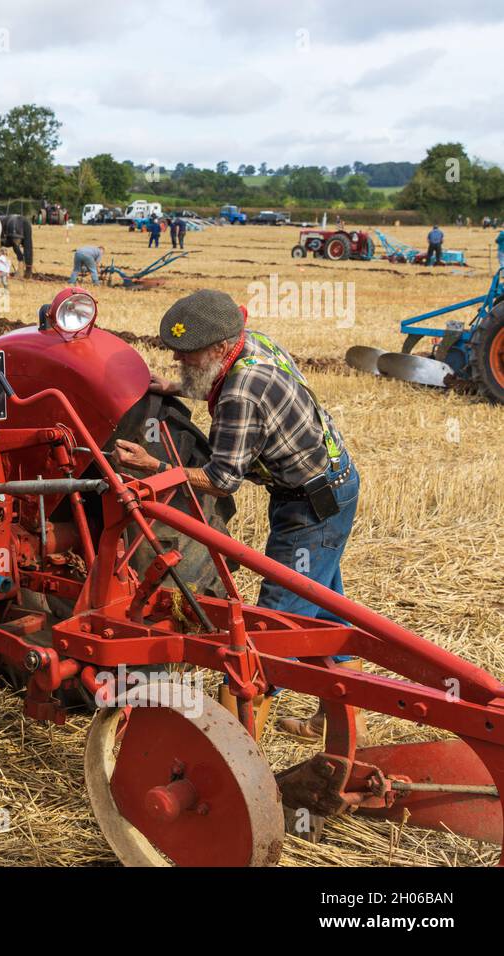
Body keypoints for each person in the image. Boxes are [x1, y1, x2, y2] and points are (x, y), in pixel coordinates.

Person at [111, 289, 362, 741]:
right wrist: (175, 387)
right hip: (329, 482)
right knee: (328, 612)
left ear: (221, 347)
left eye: (187, 357)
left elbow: (222, 479)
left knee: (268, 631)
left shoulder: (241, 393)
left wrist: (156, 468)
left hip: (312, 505)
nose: (179, 361)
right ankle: (338, 724)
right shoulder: (251, 342)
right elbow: (209, 378)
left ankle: (239, 756)